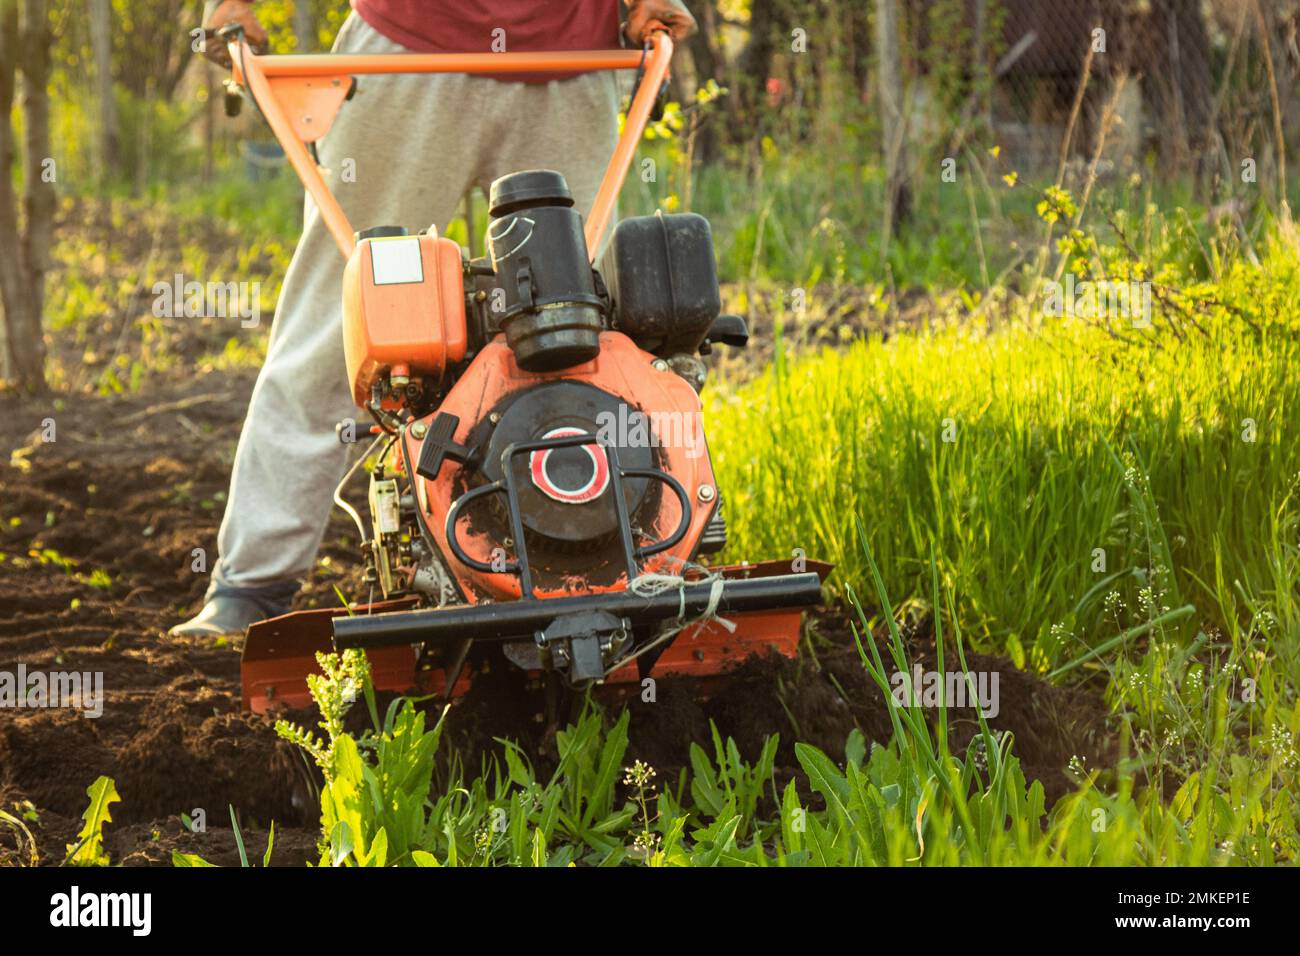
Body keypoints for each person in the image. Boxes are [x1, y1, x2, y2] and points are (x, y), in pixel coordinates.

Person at [172, 0, 697, 637]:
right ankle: (252, 582)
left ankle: (608, 557)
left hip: (572, 59)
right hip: (407, 49)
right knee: (348, 318)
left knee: (582, 328)